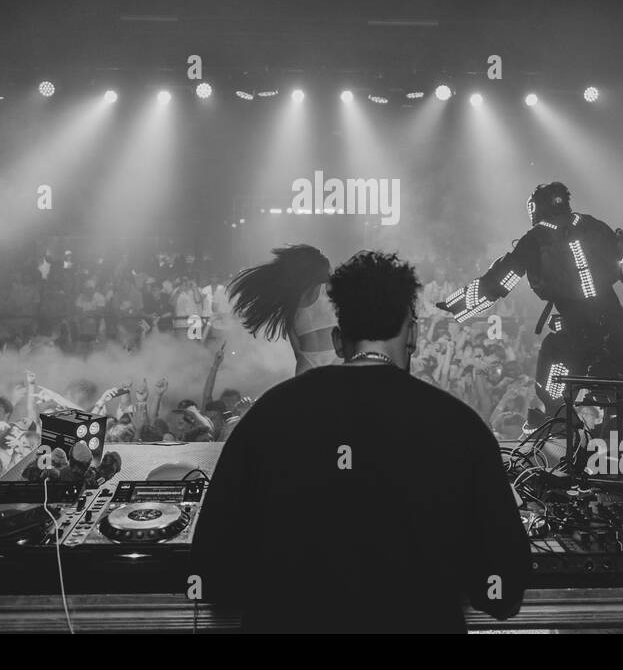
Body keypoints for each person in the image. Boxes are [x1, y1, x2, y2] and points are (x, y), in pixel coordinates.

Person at [192, 251, 530, 632]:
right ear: (415, 335)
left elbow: (212, 570)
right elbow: (505, 590)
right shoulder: (461, 426)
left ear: (339, 340)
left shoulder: (268, 418)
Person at [437, 182, 623, 428]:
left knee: (553, 397)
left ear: (535, 208)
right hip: (615, 332)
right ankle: (620, 439)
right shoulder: (595, 226)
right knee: (622, 402)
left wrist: (457, 305)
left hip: (574, 338)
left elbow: (500, 279)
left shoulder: (535, 239)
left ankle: (554, 435)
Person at [227, 244, 342, 373]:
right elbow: (361, 256)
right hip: (336, 356)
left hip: (307, 362)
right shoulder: (328, 288)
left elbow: (297, 351)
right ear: (320, 270)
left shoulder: (290, 303)